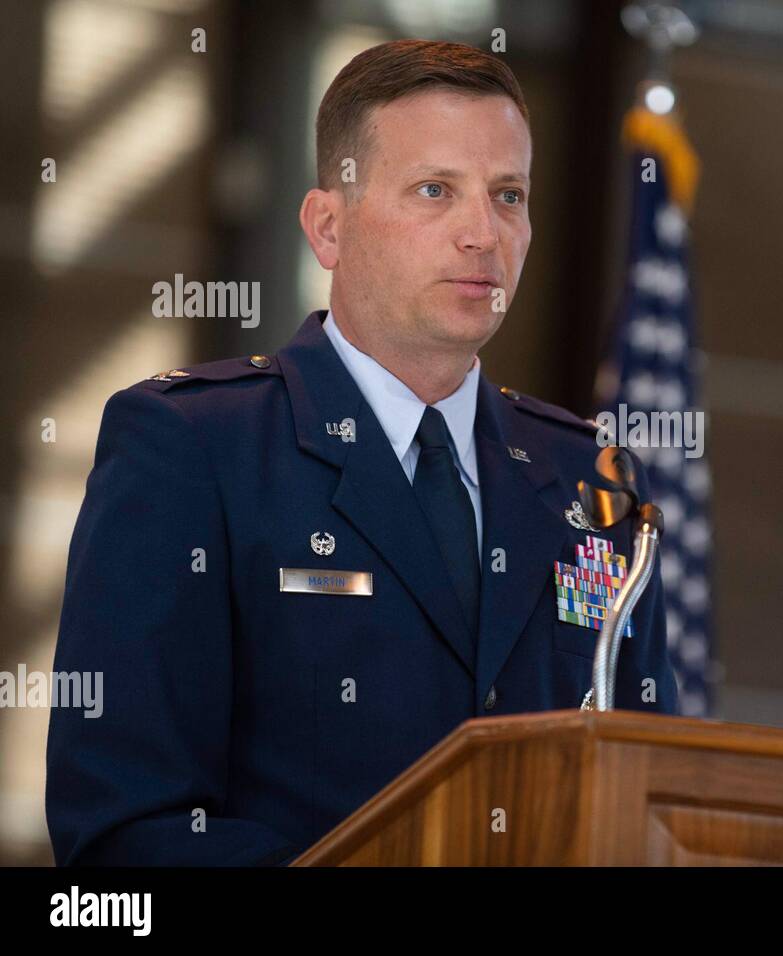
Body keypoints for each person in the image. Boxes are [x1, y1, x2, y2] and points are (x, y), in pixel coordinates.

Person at [46, 39, 679, 867]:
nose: (482, 233)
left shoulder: (592, 483)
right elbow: (122, 834)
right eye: (434, 191)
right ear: (328, 227)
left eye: (509, 195)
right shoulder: (194, 448)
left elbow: (656, 800)